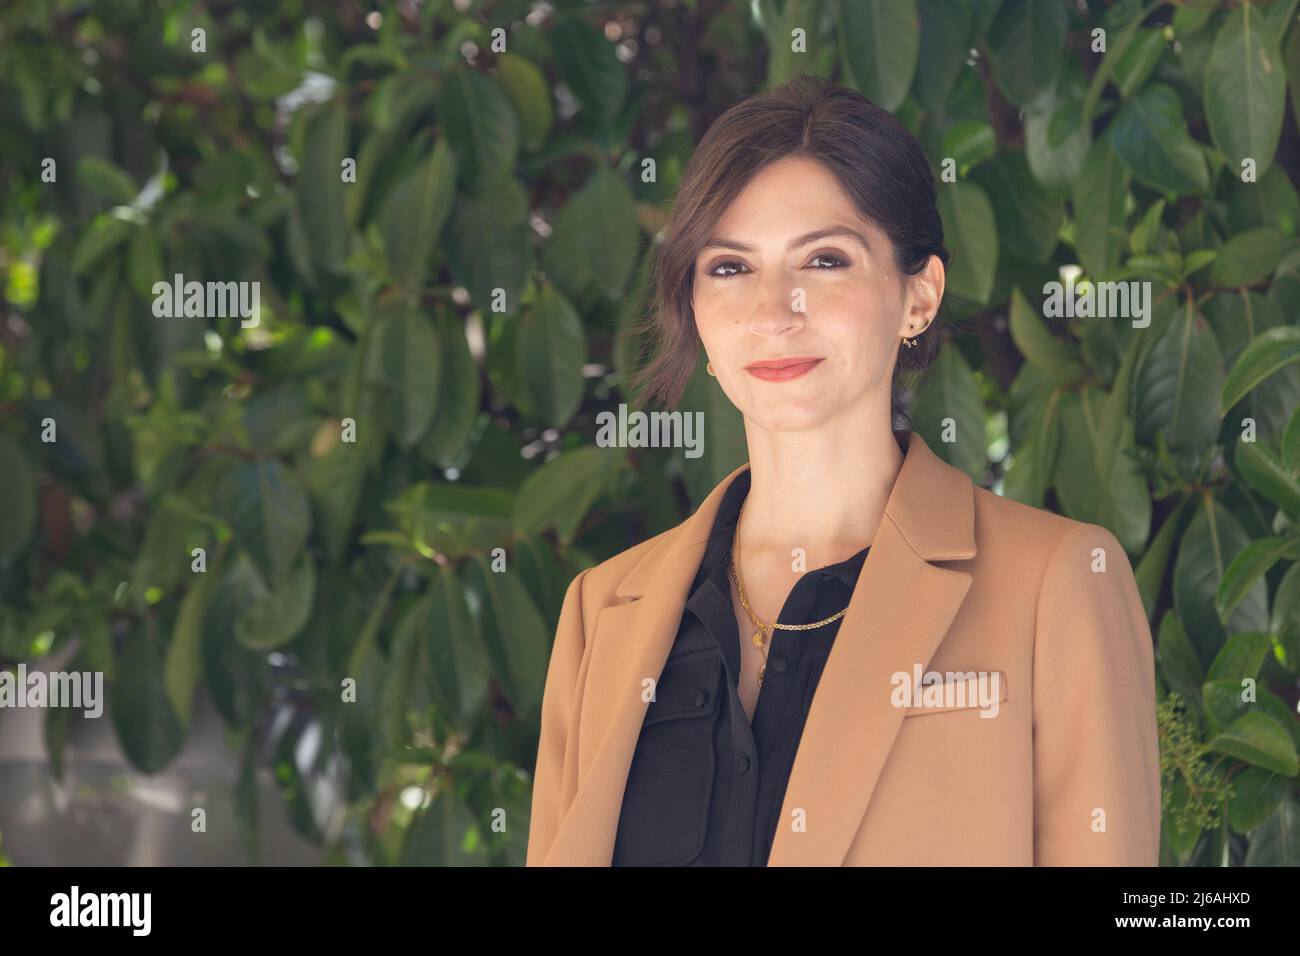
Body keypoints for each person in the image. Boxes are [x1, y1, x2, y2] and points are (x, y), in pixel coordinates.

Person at [525, 75, 1160, 867]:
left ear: (918, 295)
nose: (774, 309)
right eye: (729, 268)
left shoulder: (1057, 582)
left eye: (825, 259)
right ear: (691, 308)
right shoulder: (600, 612)